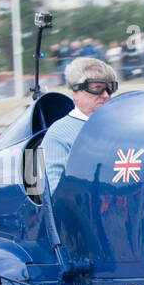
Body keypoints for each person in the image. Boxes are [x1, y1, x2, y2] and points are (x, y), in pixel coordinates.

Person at [41, 57, 119, 191]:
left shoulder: (118, 128)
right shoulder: (59, 134)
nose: (105, 95)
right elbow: (52, 191)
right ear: (76, 92)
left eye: (110, 89)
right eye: (97, 88)